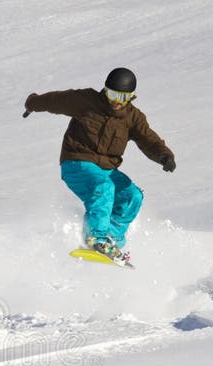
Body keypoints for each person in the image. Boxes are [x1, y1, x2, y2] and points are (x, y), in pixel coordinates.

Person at [24, 67, 175, 265]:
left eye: (122, 97)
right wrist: (32, 103)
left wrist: (164, 156)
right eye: (112, 94)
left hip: (106, 169)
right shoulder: (87, 101)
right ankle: (95, 238)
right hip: (76, 162)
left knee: (132, 196)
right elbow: (56, 101)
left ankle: (110, 238)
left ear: (131, 97)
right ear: (105, 90)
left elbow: (148, 139)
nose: (116, 101)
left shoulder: (133, 117)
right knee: (104, 188)